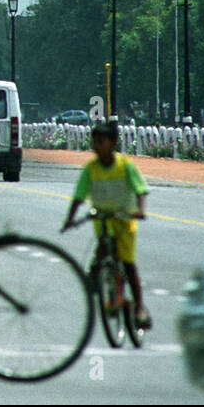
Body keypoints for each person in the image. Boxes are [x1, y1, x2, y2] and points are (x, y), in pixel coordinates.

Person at [60, 121, 152, 330]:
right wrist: (69, 219)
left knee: (128, 265)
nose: (96, 147)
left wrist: (140, 210)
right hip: (102, 218)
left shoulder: (125, 165)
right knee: (102, 251)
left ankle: (139, 307)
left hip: (124, 219)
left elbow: (140, 188)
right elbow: (79, 196)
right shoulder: (90, 169)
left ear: (112, 143)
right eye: (94, 143)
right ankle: (98, 281)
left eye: (101, 142)